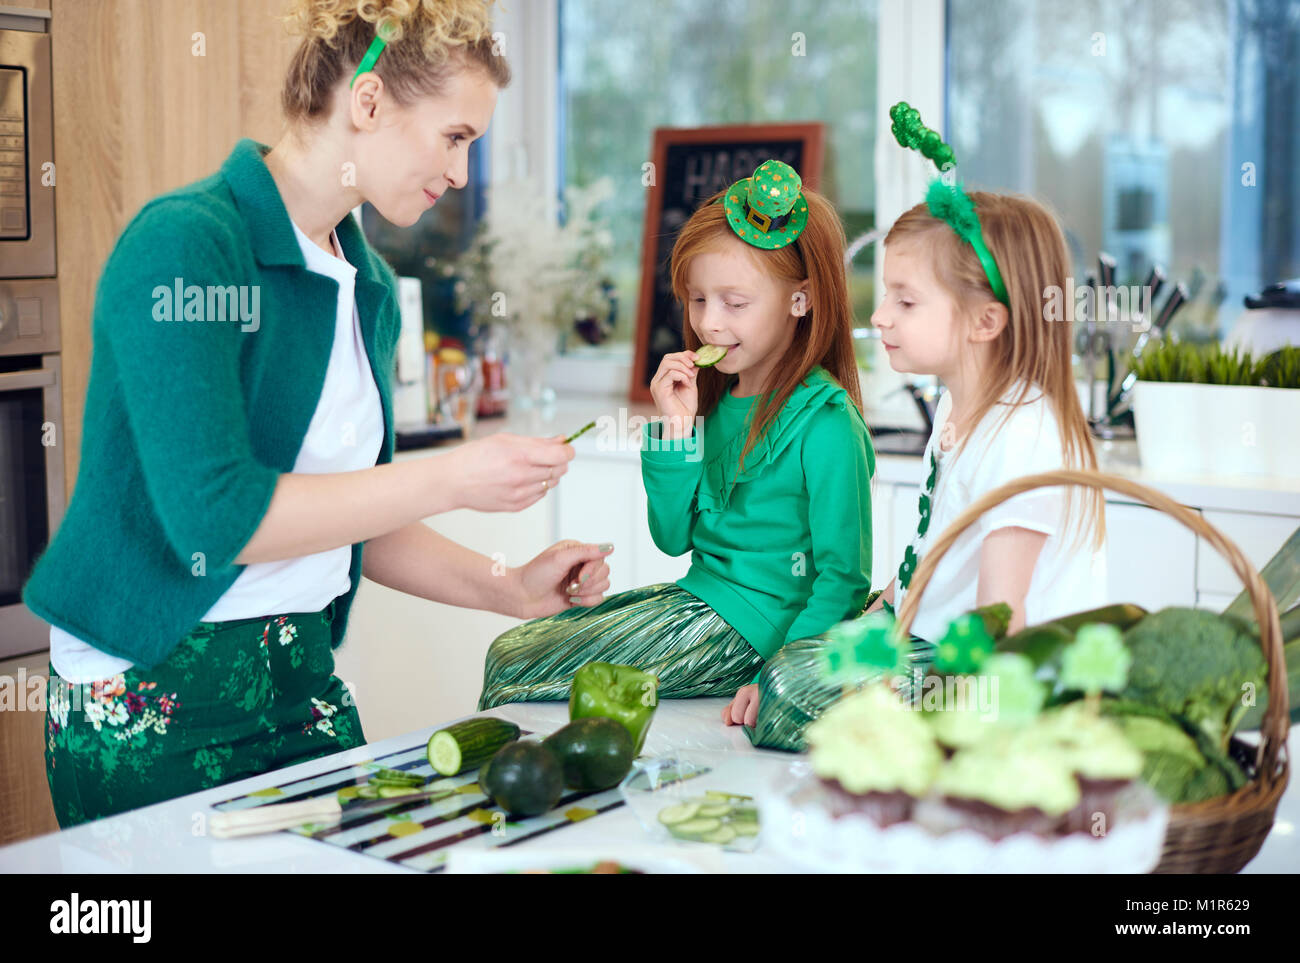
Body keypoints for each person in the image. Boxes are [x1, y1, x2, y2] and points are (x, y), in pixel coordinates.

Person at [25, 0, 612, 828]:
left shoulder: (366, 284)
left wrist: (508, 587)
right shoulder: (188, 245)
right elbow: (222, 519)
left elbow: (352, 513)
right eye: (455, 136)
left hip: (301, 681)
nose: (461, 174)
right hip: (152, 689)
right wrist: (449, 477)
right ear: (367, 102)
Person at [752, 103, 1107, 750]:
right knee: (785, 679)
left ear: (985, 321)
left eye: (905, 300)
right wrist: (861, 627)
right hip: (930, 642)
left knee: (791, 697)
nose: (881, 316)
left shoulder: (1022, 438)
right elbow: (932, 562)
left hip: (1006, 678)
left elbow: (1000, 622)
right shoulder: (956, 404)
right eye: (885, 294)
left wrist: (912, 704)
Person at [478, 159, 875, 733]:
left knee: (513, 662)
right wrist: (676, 429)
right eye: (697, 301)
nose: (711, 323)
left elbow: (844, 582)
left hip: (756, 631)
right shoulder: (715, 400)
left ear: (800, 301)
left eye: (735, 304)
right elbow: (673, 538)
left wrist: (783, 678)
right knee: (509, 650)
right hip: (700, 598)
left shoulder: (827, 423)